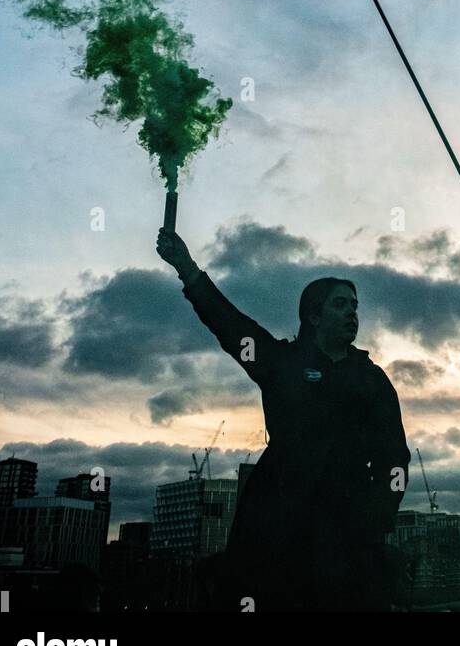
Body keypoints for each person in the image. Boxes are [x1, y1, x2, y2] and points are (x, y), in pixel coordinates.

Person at [157, 225, 410, 612]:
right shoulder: (281, 365)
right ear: (313, 315)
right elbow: (230, 325)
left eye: (355, 306)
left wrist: (379, 514)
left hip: (347, 528)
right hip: (277, 521)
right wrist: (188, 270)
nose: (352, 313)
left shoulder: (372, 379)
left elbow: (396, 457)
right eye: (340, 304)